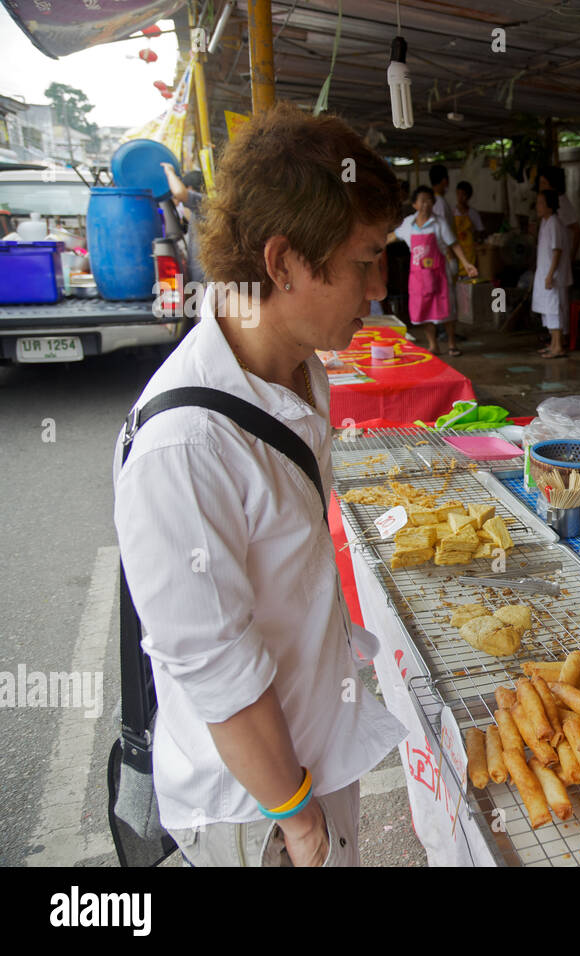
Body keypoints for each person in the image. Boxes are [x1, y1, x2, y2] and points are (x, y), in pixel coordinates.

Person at [114, 102, 408, 866]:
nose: (378, 287)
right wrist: (299, 817)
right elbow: (214, 667)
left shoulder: (300, 371)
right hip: (261, 809)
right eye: (365, 259)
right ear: (282, 262)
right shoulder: (186, 446)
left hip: (312, 754)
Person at [391, 185, 477, 355]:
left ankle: (451, 344)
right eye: (422, 201)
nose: (426, 204)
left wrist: (466, 264)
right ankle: (433, 345)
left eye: (430, 200)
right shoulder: (408, 223)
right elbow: (392, 236)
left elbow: (454, 244)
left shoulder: (439, 223)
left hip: (438, 274)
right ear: (415, 204)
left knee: (446, 309)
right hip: (418, 277)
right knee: (423, 310)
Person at [533, 189, 570, 358]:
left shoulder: (554, 222)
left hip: (552, 275)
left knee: (554, 309)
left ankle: (558, 347)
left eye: (541, 203)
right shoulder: (545, 222)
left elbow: (557, 251)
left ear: (549, 205)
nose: (538, 206)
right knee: (548, 310)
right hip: (544, 274)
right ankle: (553, 344)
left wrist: (549, 274)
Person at [161, 163, 207, 284]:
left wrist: (169, 172)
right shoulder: (199, 211)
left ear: (190, 189)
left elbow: (179, 192)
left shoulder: (204, 203)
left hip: (206, 283)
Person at [428, 164, 460, 325]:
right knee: (447, 296)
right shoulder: (439, 203)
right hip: (444, 255)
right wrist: (450, 256)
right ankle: (446, 332)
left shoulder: (437, 201)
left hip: (441, 255)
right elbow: (442, 234)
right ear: (444, 181)